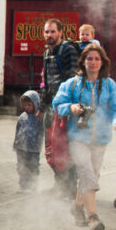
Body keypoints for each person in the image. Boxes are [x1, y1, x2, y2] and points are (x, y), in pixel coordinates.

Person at [53, 42, 116, 230]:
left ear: (102, 62)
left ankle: (77, 206)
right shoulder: (73, 84)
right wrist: (71, 108)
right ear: (83, 62)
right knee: (86, 173)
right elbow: (57, 103)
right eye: (89, 59)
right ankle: (93, 217)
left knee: (91, 176)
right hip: (78, 138)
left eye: (96, 59)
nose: (93, 62)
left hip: (101, 139)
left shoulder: (109, 85)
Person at [41, 19, 81, 197]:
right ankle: (60, 184)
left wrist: (65, 105)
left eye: (52, 32)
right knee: (51, 147)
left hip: (64, 107)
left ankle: (69, 188)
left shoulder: (68, 50)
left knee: (66, 148)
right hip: (50, 106)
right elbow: (46, 81)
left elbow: (72, 78)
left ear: (60, 33)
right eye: (47, 32)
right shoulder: (47, 53)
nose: (49, 35)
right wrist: (42, 104)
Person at [13, 90, 42, 191]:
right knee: (21, 167)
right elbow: (18, 130)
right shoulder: (22, 117)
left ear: (35, 103)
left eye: (29, 105)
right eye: (24, 105)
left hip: (33, 149)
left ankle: (33, 186)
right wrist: (15, 144)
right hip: (21, 147)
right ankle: (23, 186)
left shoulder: (39, 117)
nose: (26, 107)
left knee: (33, 167)